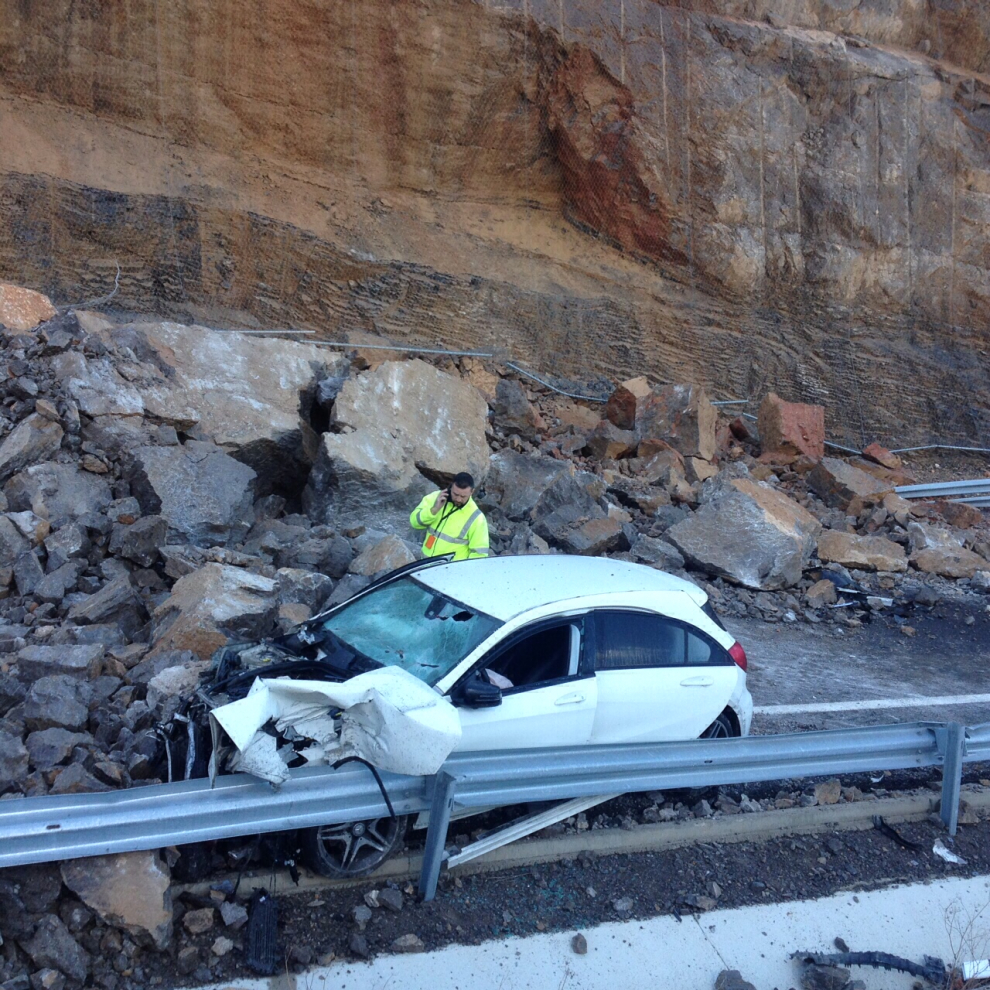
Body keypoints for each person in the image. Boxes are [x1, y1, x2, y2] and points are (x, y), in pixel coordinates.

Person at [410, 472, 490, 561]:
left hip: (450, 569)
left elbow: (479, 555)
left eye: (463, 496)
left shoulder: (477, 518)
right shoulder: (435, 498)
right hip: (425, 565)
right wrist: (434, 510)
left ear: (472, 492)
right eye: (455, 494)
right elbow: (414, 523)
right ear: (451, 487)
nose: (458, 499)